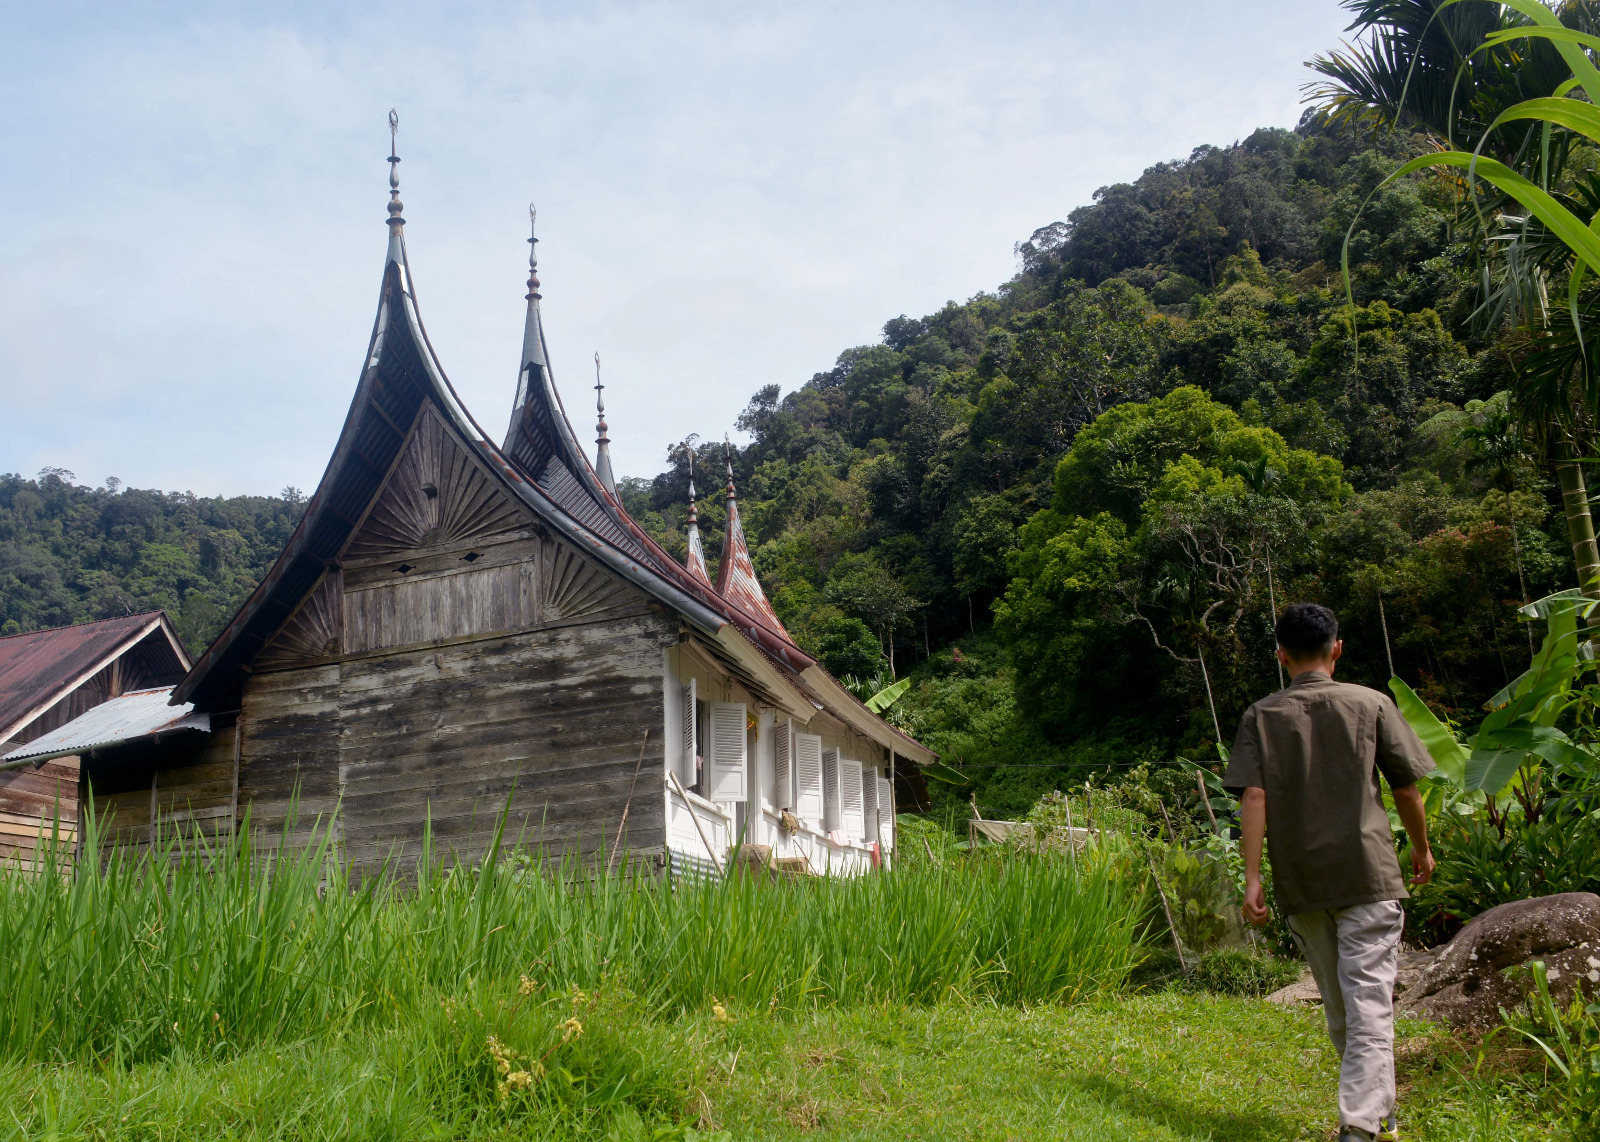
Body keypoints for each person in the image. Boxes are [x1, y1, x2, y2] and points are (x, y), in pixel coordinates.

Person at [1223, 603, 1436, 1142]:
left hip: (1302, 881)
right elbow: (1406, 788)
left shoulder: (1261, 715)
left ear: (1281, 654)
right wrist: (1422, 849)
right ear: (1336, 648)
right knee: (1365, 1002)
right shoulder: (1372, 703)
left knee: (1343, 1007)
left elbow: (1254, 795)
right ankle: (1365, 1122)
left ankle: (1369, 1120)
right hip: (1367, 871)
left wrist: (1252, 878)